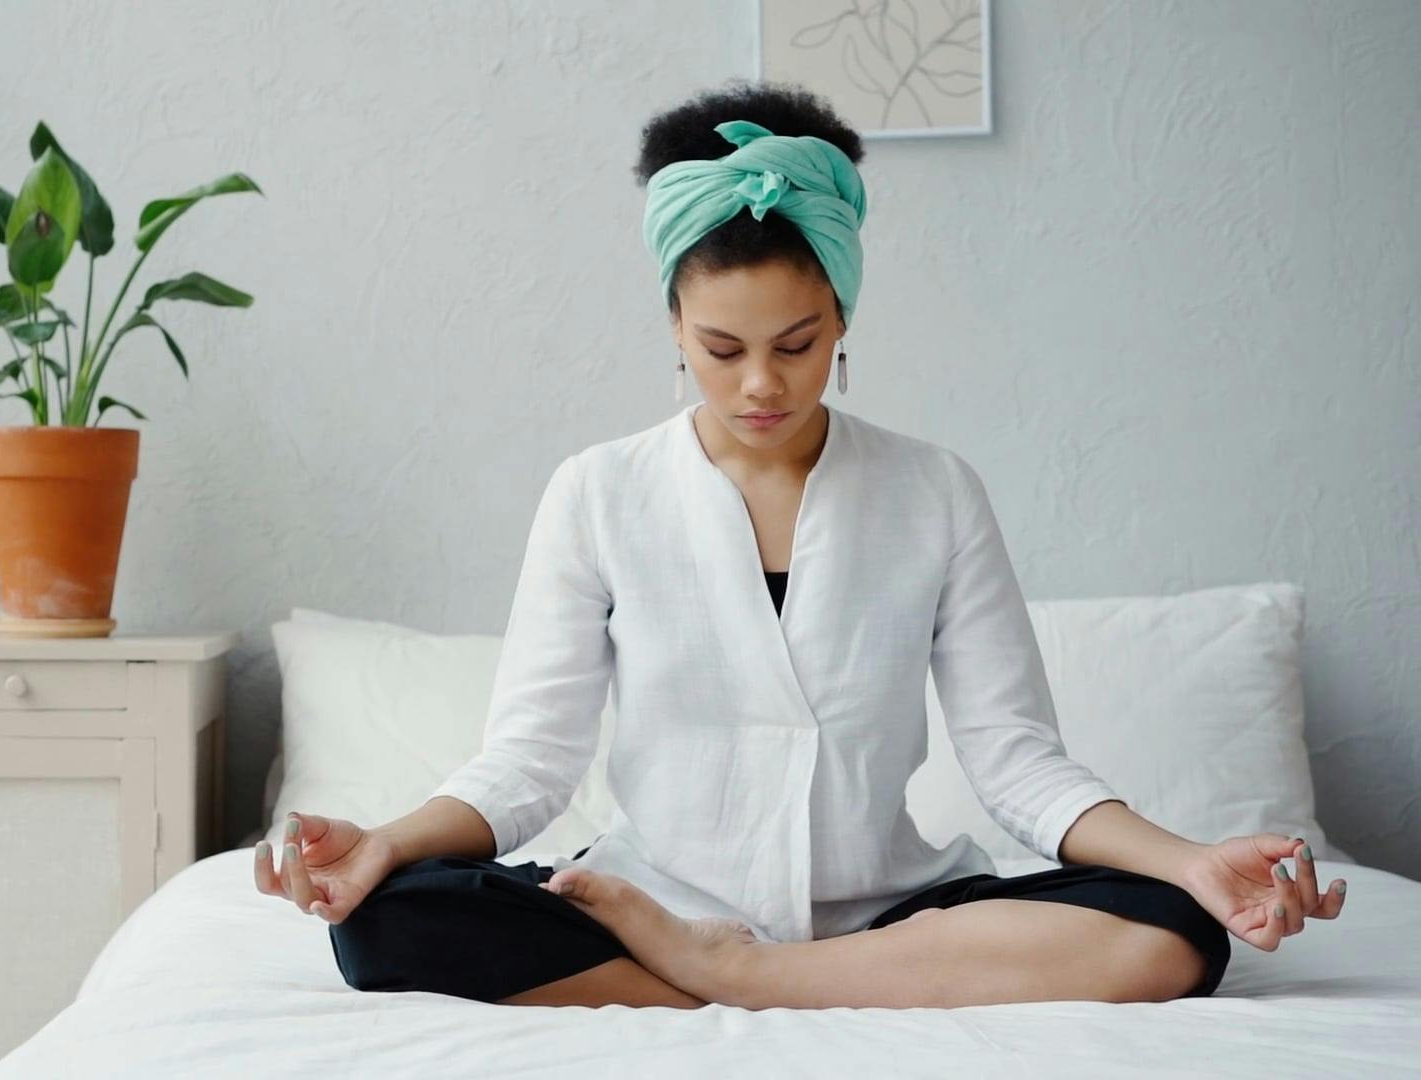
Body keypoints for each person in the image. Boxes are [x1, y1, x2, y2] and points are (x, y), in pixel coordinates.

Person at [250, 79, 1348, 1009]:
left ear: (844, 321)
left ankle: (746, 977)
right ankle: (756, 964)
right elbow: (531, 762)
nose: (762, 384)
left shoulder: (935, 492)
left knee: (1175, 930)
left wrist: (1191, 860)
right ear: (673, 326)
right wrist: (389, 841)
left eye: (798, 342)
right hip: (649, 892)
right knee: (389, 926)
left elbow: (1017, 761)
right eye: (722, 348)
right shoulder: (597, 492)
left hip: (886, 904)